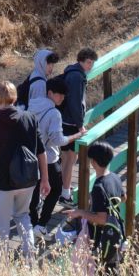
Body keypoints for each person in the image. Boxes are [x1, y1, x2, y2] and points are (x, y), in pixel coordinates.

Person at [0, 81, 48, 261]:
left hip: (3, 182)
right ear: (14, 98)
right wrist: (45, 179)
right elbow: (41, 151)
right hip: (29, 179)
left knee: (2, 223)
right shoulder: (30, 118)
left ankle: (0, 264)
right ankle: (29, 258)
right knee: (23, 216)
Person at [28, 76, 85, 236]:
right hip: (48, 158)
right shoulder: (54, 113)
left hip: (29, 155)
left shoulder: (31, 104)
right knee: (56, 189)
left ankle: (33, 223)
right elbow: (58, 140)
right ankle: (41, 224)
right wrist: (76, 136)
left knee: (33, 190)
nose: (61, 98)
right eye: (59, 94)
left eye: (63, 95)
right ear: (50, 93)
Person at [65, 142, 125, 276]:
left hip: (102, 238)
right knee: (114, 270)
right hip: (116, 232)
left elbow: (101, 219)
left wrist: (80, 212)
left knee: (102, 275)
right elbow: (123, 197)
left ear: (93, 161)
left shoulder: (98, 187)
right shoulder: (115, 177)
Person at [58, 48, 98, 206]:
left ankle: (63, 190)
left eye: (92, 63)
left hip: (64, 120)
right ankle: (65, 194)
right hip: (71, 122)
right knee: (70, 158)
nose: (90, 66)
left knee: (66, 157)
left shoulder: (71, 71)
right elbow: (75, 103)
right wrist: (80, 125)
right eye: (88, 62)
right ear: (81, 60)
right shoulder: (76, 76)